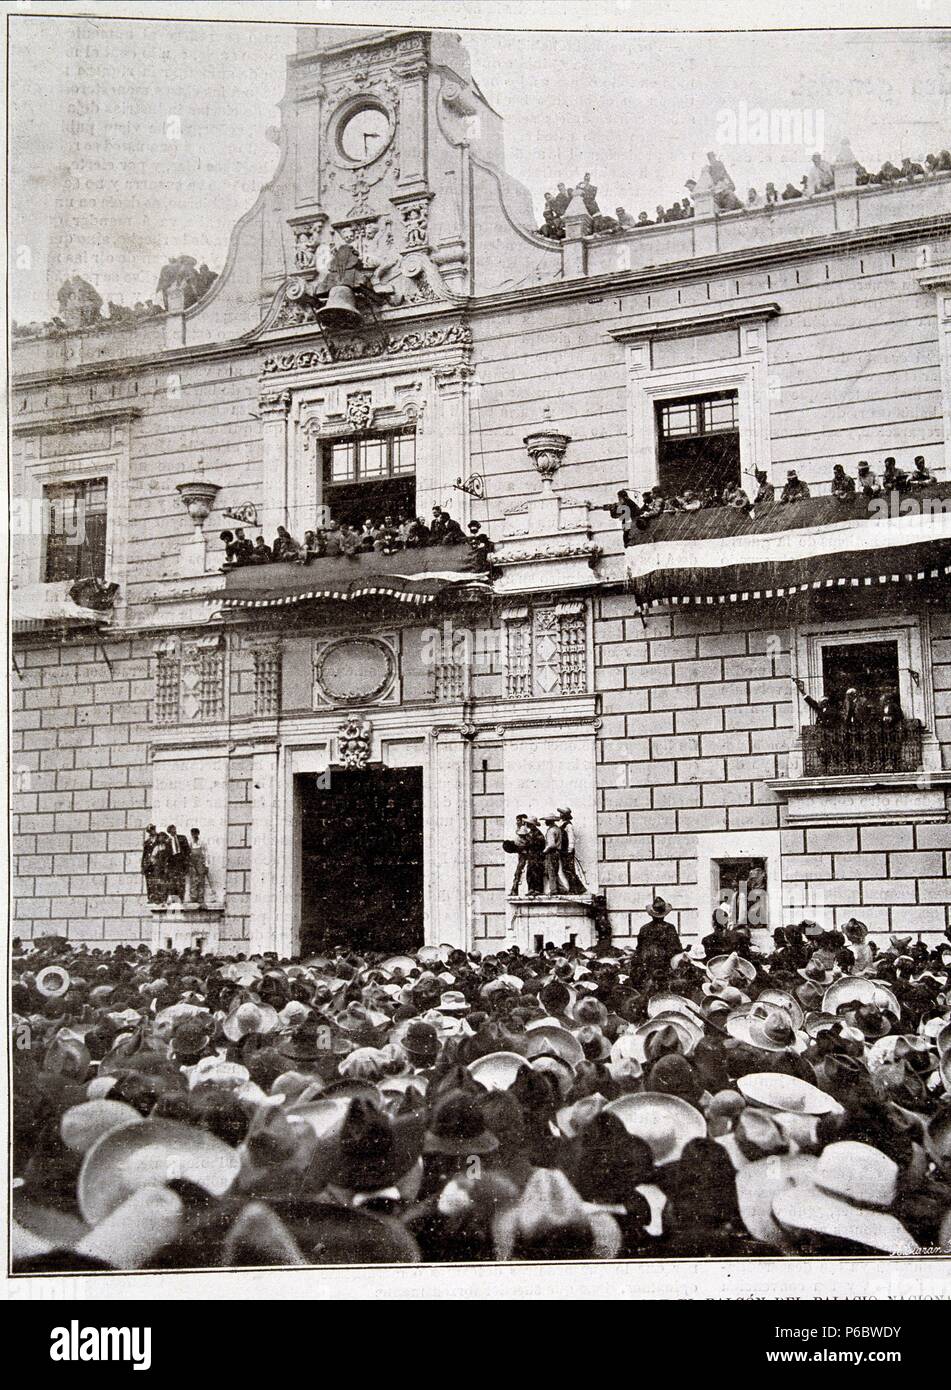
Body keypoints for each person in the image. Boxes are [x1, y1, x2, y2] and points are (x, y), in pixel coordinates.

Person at [634, 896, 683, 969]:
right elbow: (677, 948)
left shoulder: (644, 928)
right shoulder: (670, 928)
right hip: (666, 965)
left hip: (647, 965)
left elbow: (639, 949)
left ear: (652, 915)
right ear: (664, 914)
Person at [556, 807, 586, 895]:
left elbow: (571, 838)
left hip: (567, 851)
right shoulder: (563, 824)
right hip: (563, 851)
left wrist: (570, 850)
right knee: (566, 870)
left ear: (565, 815)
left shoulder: (568, 825)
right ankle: (578, 888)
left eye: (561, 813)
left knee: (569, 870)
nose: (560, 814)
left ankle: (575, 889)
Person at [165, 824, 190, 903]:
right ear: (169, 832)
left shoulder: (182, 838)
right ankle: (174, 898)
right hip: (172, 862)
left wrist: (186, 861)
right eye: (172, 829)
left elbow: (187, 850)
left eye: (174, 829)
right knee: (173, 880)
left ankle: (181, 898)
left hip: (181, 860)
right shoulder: (167, 841)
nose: (174, 830)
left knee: (181, 880)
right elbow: (166, 854)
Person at [186, 828, 210, 906]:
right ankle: (193, 898)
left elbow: (206, 854)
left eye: (196, 833)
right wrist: (189, 864)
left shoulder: (202, 842)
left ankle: (200, 898)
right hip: (193, 863)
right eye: (193, 834)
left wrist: (206, 865)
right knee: (193, 880)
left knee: (201, 880)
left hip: (200, 863)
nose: (194, 835)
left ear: (198, 834)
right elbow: (188, 854)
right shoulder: (190, 843)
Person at [541, 814, 564, 896]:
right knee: (554, 871)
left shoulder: (551, 831)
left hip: (551, 852)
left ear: (549, 821)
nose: (545, 822)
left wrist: (544, 851)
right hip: (557, 853)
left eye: (546, 820)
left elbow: (551, 844)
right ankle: (561, 888)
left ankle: (553, 890)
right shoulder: (557, 829)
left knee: (551, 871)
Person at [141, 825, 159, 903]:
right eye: (150, 831)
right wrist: (142, 866)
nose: (152, 831)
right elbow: (144, 854)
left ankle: (158, 897)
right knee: (149, 881)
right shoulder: (147, 842)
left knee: (157, 880)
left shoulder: (159, 839)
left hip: (157, 863)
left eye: (153, 829)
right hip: (148, 865)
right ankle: (151, 897)